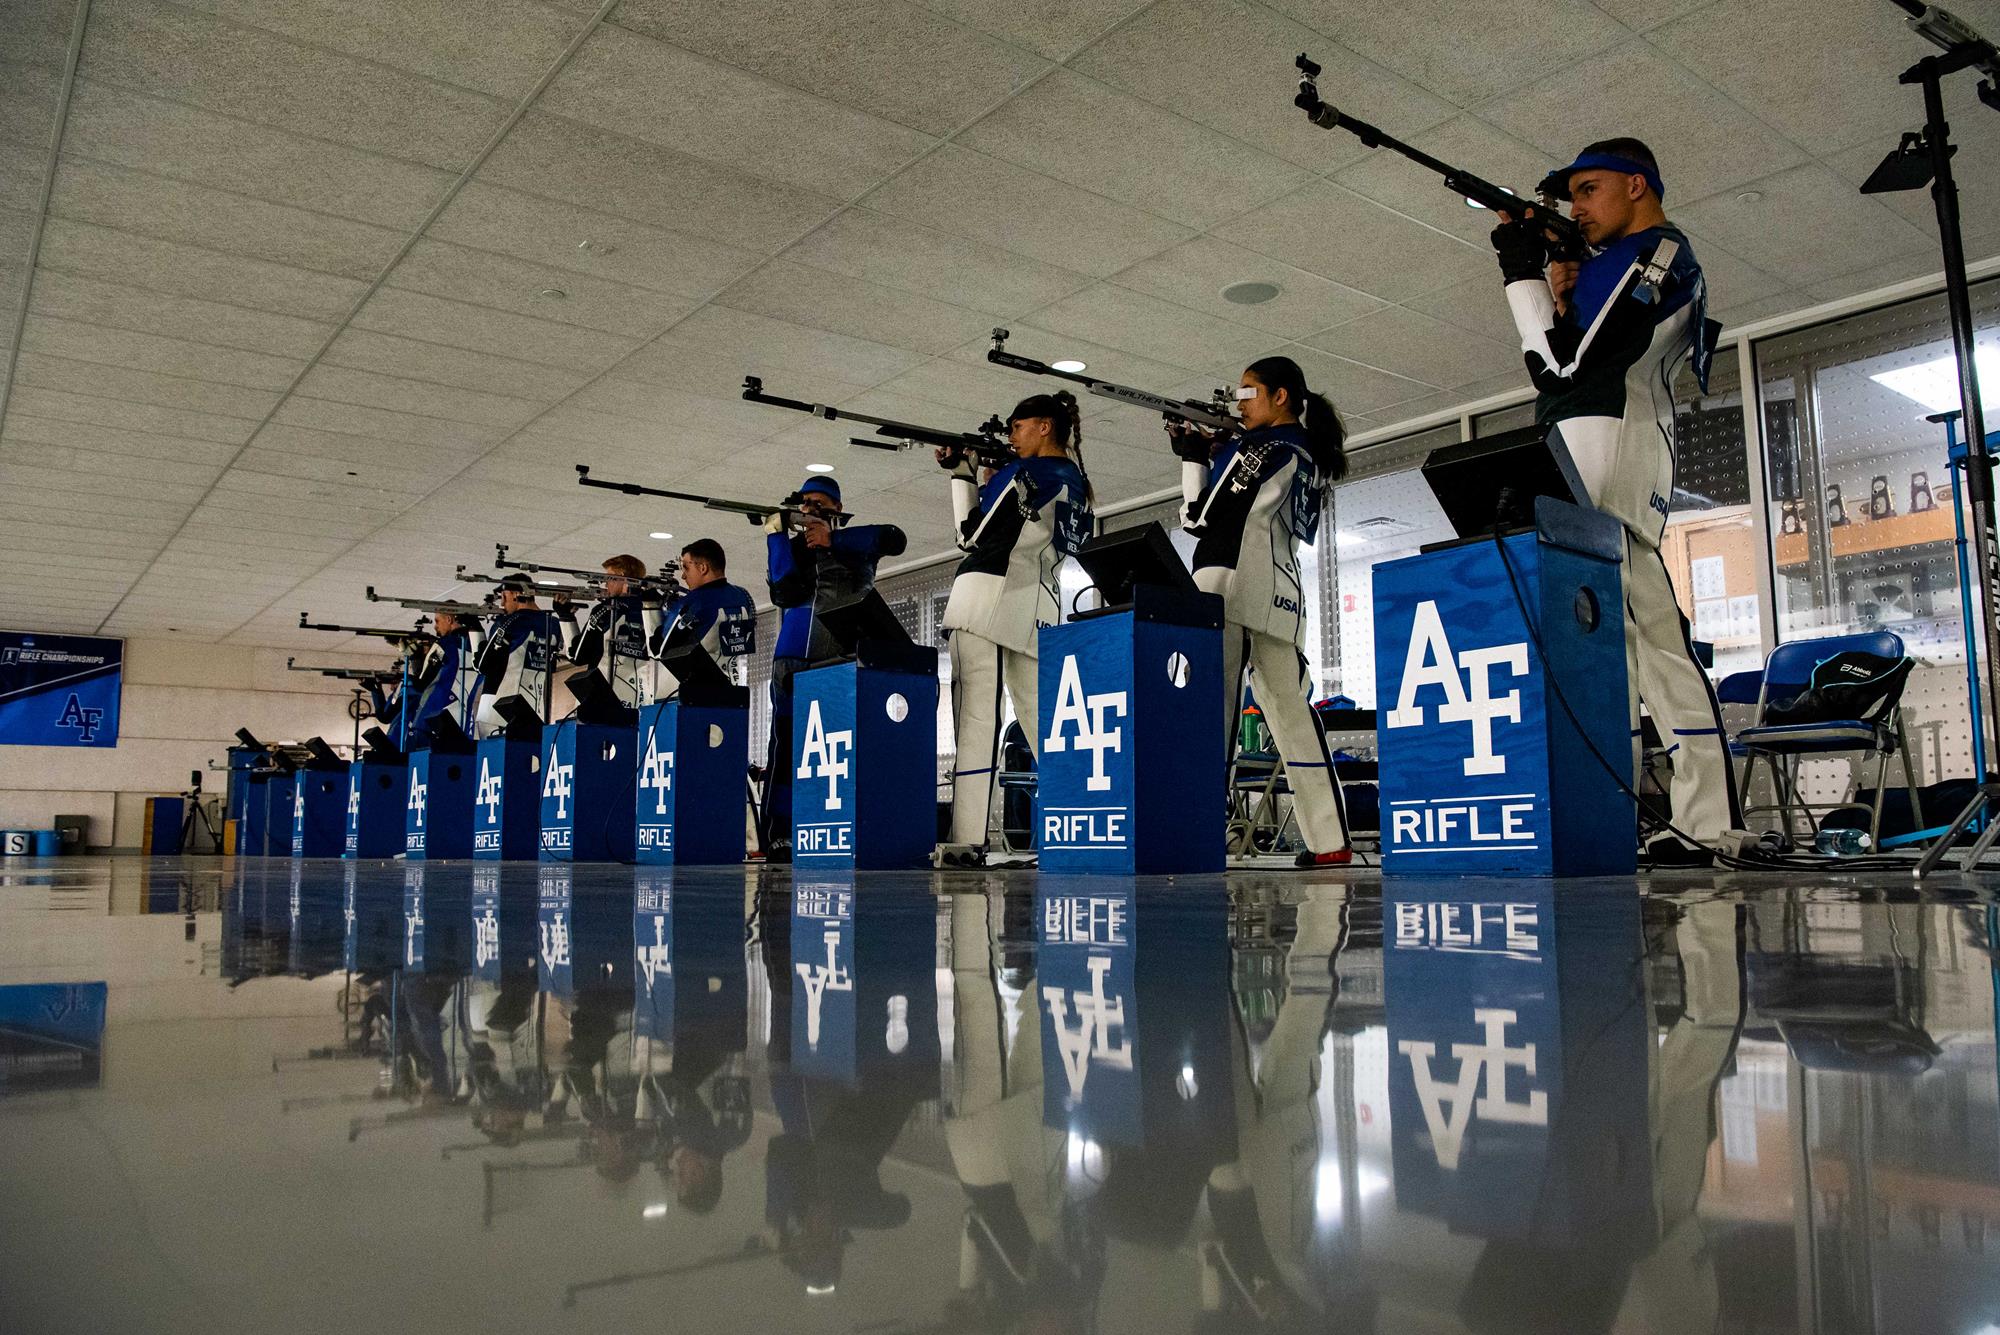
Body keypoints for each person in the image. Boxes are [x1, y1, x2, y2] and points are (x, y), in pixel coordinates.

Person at [1490, 137, 1735, 866]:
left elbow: (1559, 367)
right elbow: (1567, 354)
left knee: (1656, 643)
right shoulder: (1611, 266)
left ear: (1637, 185)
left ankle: (1713, 822)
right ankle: (1626, 819)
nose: (1577, 208)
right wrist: (1558, 287)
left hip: (1617, 448)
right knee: (1615, 651)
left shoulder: (1657, 254)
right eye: (1570, 198)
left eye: (1589, 190)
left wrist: (1518, 271)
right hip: (1582, 444)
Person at [1173, 355, 1353, 869]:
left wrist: (1192, 452)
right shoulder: (1303, 450)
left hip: (1228, 583)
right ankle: (1329, 840)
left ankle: (1200, 832)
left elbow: (1199, 516)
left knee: (1216, 712)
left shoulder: (1263, 447)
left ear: (1280, 396)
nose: (1239, 402)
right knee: (1294, 717)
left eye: (1249, 391)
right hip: (1279, 590)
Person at [932, 392, 1094, 867]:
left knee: (978, 721)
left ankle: (965, 840)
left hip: (984, 597)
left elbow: (969, 536)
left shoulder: (1027, 473)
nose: (1011, 437)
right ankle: (1086, 822)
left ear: (1045, 427)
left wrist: (963, 474)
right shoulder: (1077, 482)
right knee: (1046, 724)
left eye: (1017, 428)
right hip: (1039, 602)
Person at [759, 477, 907, 861]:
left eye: (819, 502)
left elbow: (895, 538)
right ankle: (779, 834)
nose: (809, 507)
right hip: (793, 656)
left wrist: (833, 540)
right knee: (788, 747)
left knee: (838, 748)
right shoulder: (793, 547)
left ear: (837, 507)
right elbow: (783, 592)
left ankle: (837, 825)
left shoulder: (855, 542)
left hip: (841, 655)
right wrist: (776, 536)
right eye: (804, 503)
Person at [554, 553, 659, 716]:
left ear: (622, 577)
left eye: (609, 578)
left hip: (601, 696)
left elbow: (578, 655)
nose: (605, 583)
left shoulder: (605, 610)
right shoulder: (653, 608)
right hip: (640, 697)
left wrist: (565, 617)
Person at [472, 575, 563, 739]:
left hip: (497, 709)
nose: (502, 604)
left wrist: (475, 631)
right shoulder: (554, 623)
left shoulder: (509, 622)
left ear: (515, 594)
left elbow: (482, 666)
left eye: (504, 597)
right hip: (536, 707)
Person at [651, 538, 757, 678]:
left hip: (692, 687)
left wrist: (650, 605)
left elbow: (659, 648)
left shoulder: (693, 601)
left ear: (703, 568)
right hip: (733, 682)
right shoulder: (743, 595)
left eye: (686, 568)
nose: (683, 576)